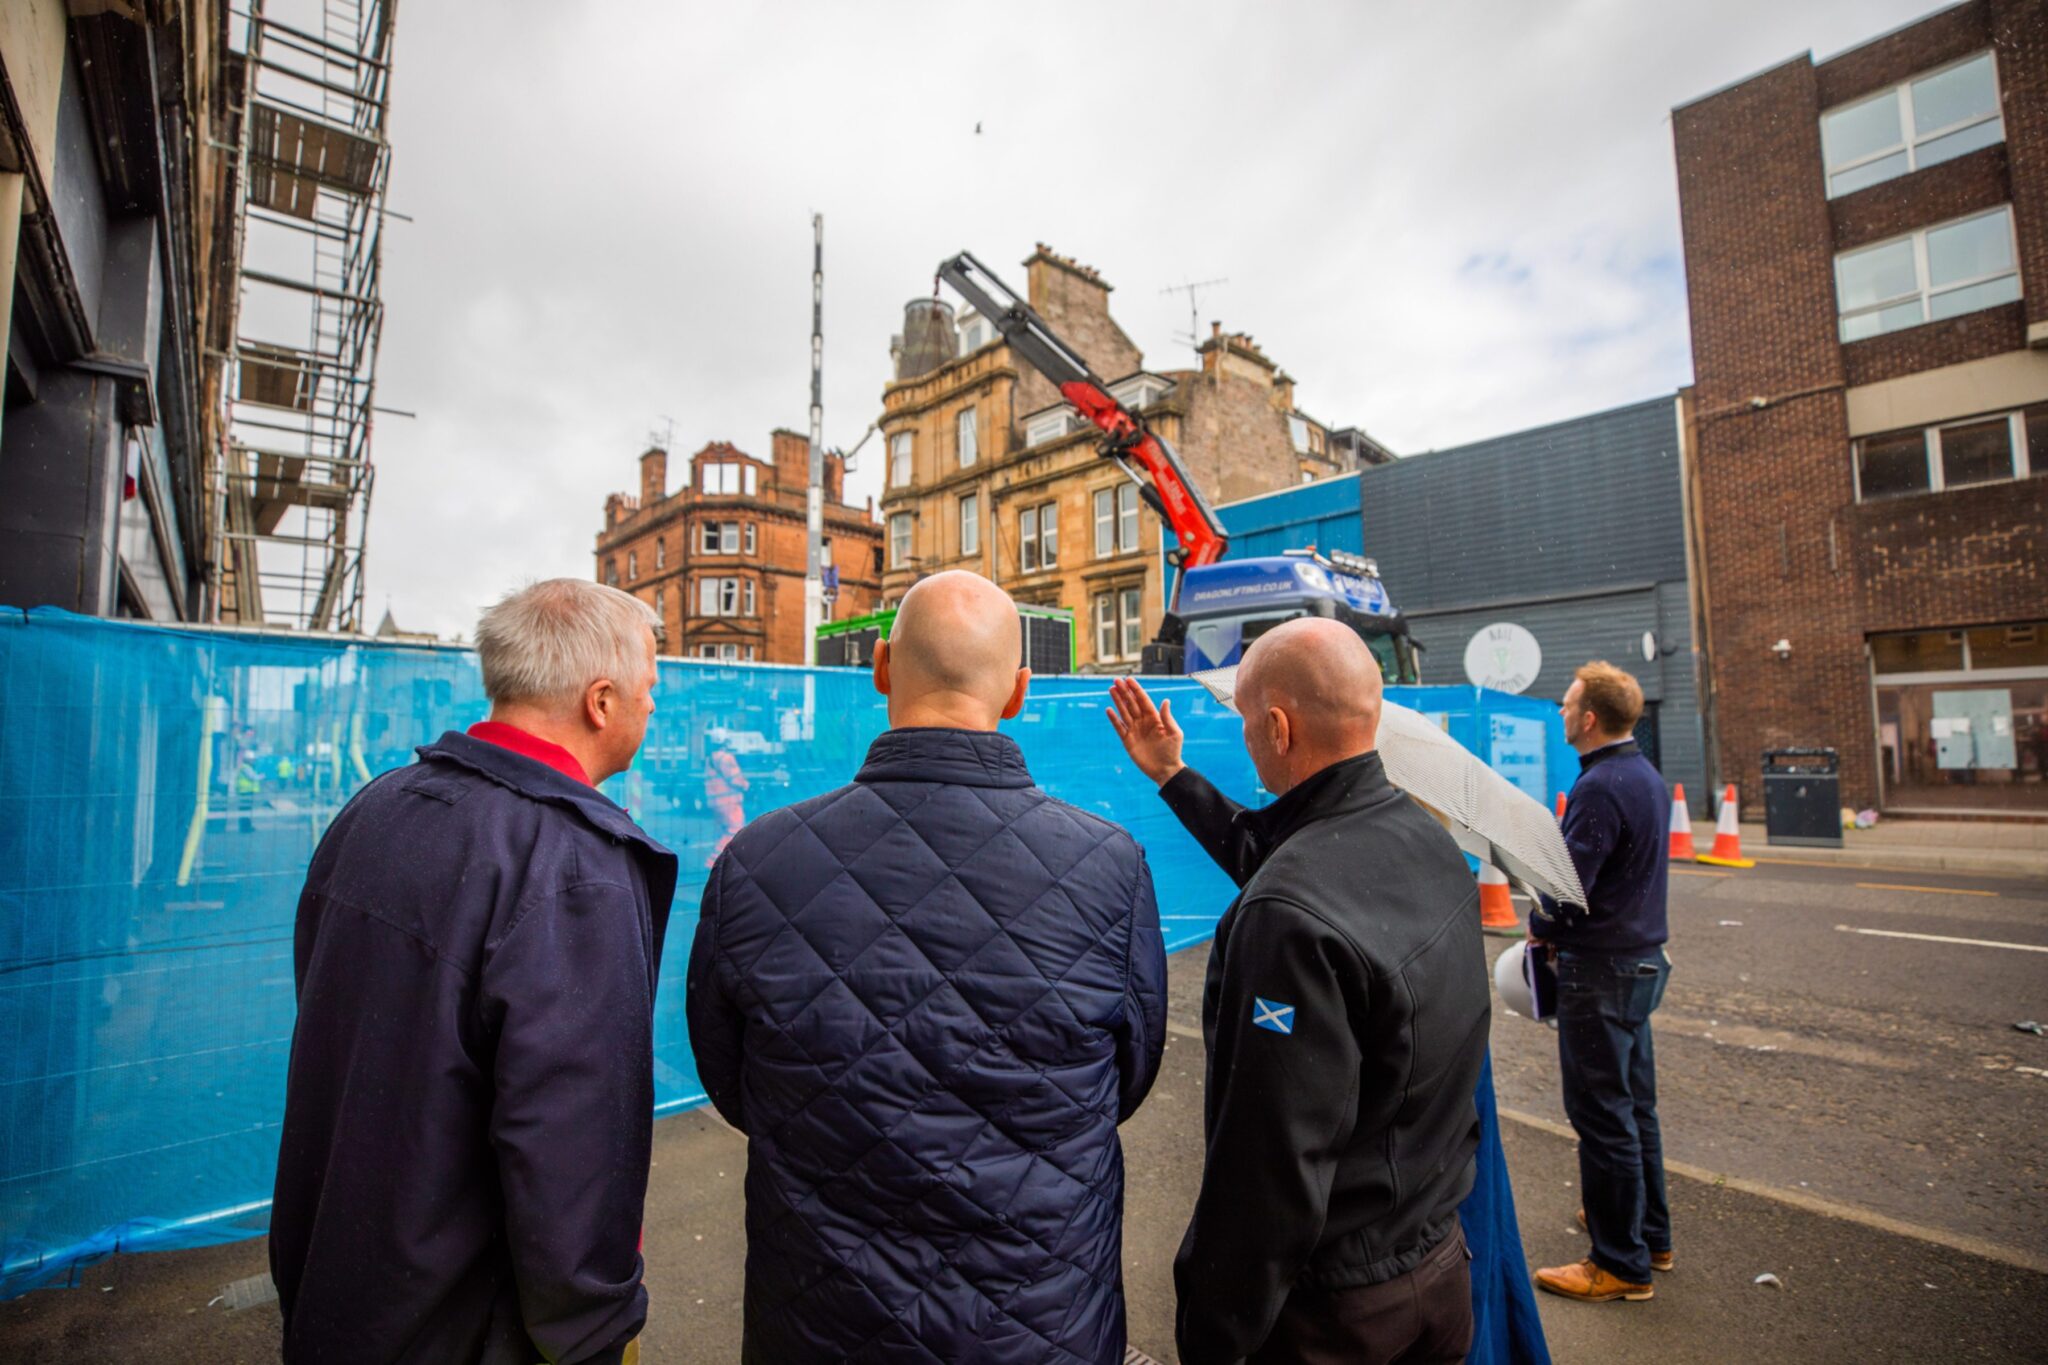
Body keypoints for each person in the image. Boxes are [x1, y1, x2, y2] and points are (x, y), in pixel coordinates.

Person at [687, 570, 1167, 1364]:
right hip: (1039, 1323)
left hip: (822, 1320)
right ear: (1018, 690)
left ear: (881, 667)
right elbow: (1129, 1071)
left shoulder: (758, 859)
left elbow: (731, 1074)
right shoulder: (1110, 864)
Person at [270, 579, 675, 1365]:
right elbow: (570, 1137)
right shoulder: (574, 866)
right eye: (649, 687)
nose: (651, 706)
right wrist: (594, 1324)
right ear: (601, 701)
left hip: (342, 1286)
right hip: (469, 1321)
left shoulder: (374, 807)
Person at [1105, 618, 1489, 1365]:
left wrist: (1214, 1331)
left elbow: (1268, 1170)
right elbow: (1286, 857)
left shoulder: (1287, 917)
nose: (1245, 736)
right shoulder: (1424, 840)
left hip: (1335, 1316)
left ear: (1277, 727)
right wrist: (1172, 773)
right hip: (1438, 1268)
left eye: (1247, 720)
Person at [1528, 660, 1673, 1304]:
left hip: (1602, 969)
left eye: (1565, 705)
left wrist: (1538, 918)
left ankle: (1619, 1264)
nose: (1560, 713)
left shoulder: (1600, 787)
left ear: (1589, 719)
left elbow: (1569, 892)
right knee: (1635, 1107)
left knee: (1601, 1115)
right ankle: (1648, 1233)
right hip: (1642, 959)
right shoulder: (1643, 776)